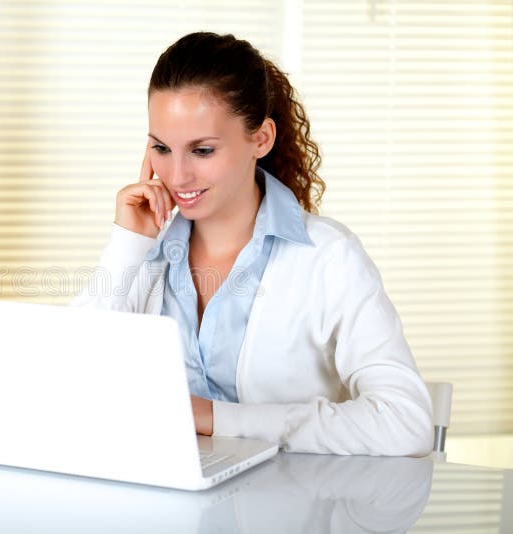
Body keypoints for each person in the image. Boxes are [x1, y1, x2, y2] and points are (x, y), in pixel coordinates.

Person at [72, 32, 433, 456]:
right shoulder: (146, 251)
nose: (177, 175)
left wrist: (218, 418)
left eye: (202, 150)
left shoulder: (330, 257)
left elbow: (406, 423)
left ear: (261, 139)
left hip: (290, 497)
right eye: (162, 148)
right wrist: (127, 243)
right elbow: (71, 382)